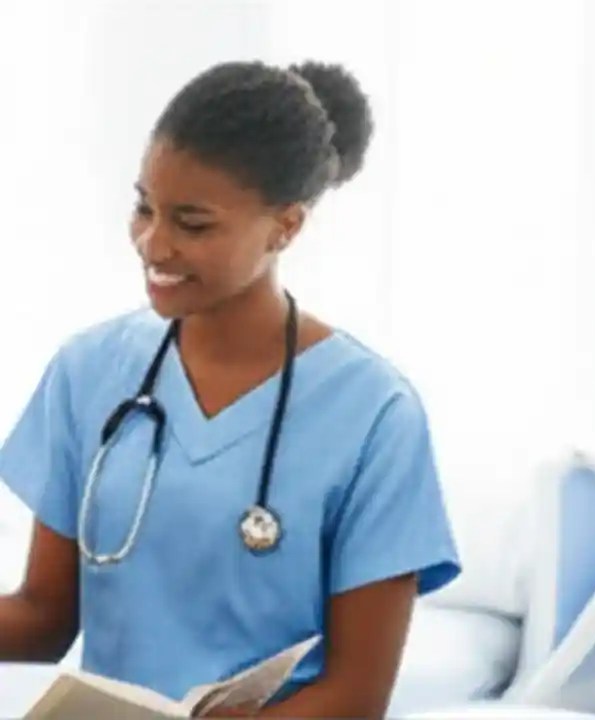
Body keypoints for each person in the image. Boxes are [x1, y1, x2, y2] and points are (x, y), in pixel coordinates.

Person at [0, 60, 460, 717]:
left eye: (192, 224)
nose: (152, 244)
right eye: (143, 207)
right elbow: (44, 617)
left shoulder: (375, 415)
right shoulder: (88, 370)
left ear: (286, 226)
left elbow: (355, 697)